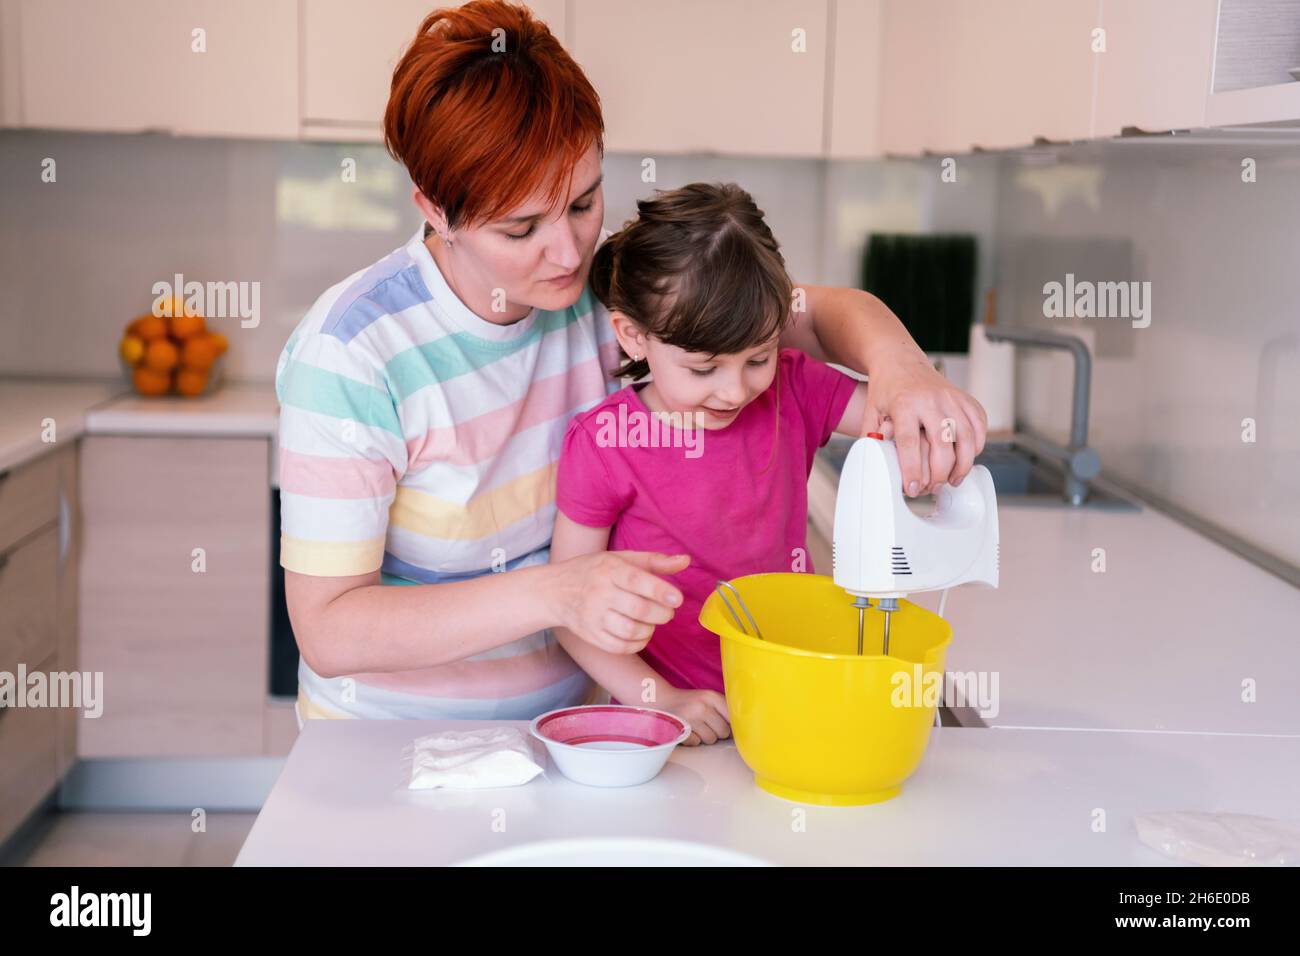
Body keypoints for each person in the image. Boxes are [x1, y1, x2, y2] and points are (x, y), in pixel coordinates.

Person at [277, 0, 987, 722]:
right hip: (387, 752)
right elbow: (330, 629)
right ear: (435, 209)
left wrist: (903, 369)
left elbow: (821, 315)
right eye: (521, 227)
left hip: (581, 731)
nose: (567, 252)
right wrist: (557, 592)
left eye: (583, 203)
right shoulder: (352, 353)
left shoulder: (614, 293)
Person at [552, 183, 871, 745]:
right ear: (633, 336)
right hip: (667, 721)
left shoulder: (794, 389)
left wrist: (924, 396)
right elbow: (569, 610)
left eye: (758, 357)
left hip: (786, 693)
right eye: (704, 369)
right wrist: (662, 699)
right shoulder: (604, 444)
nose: (734, 391)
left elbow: (892, 418)